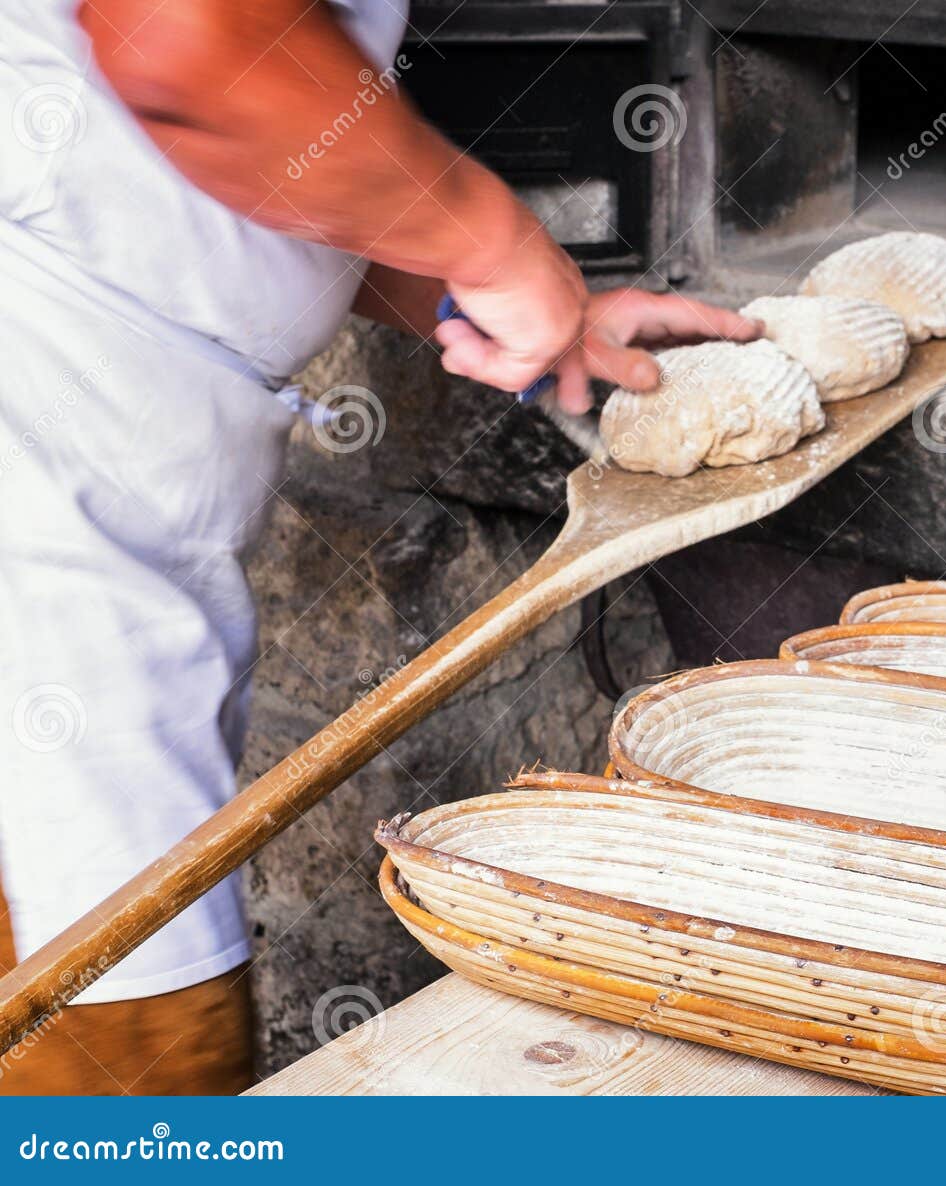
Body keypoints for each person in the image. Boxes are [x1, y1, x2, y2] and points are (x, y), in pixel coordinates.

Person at [0, 0, 759, 1094]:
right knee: (121, 1031)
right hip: (47, 484)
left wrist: (501, 298)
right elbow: (187, 35)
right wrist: (489, 238)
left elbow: (245, 147)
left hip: (99, 445)